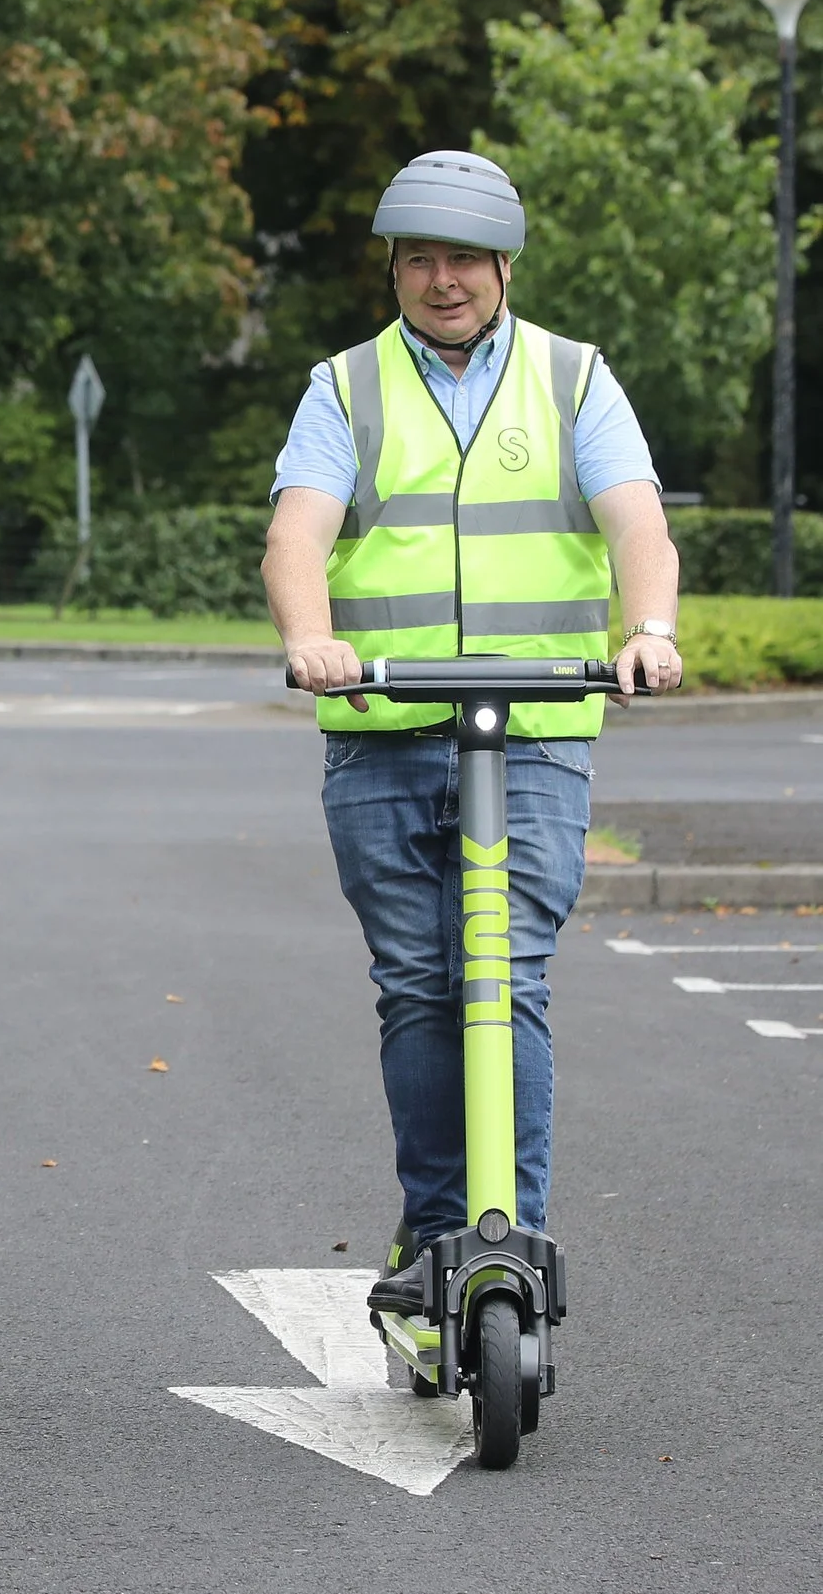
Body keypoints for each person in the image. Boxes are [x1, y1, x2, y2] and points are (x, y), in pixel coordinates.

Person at [260, 150, 683, 1310]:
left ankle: (507, 1239)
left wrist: (647, 627)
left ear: (502, 266)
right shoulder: (345, 388)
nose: (441, 280)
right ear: (395, 270)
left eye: (462, 260)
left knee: (508, 981)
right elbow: (298, 533)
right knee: (416, 987)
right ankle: (437, 1235)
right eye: (418, 260)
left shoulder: (572, 378)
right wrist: (314, 641)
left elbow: (636, 521)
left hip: (535, 732)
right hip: (382, 731)